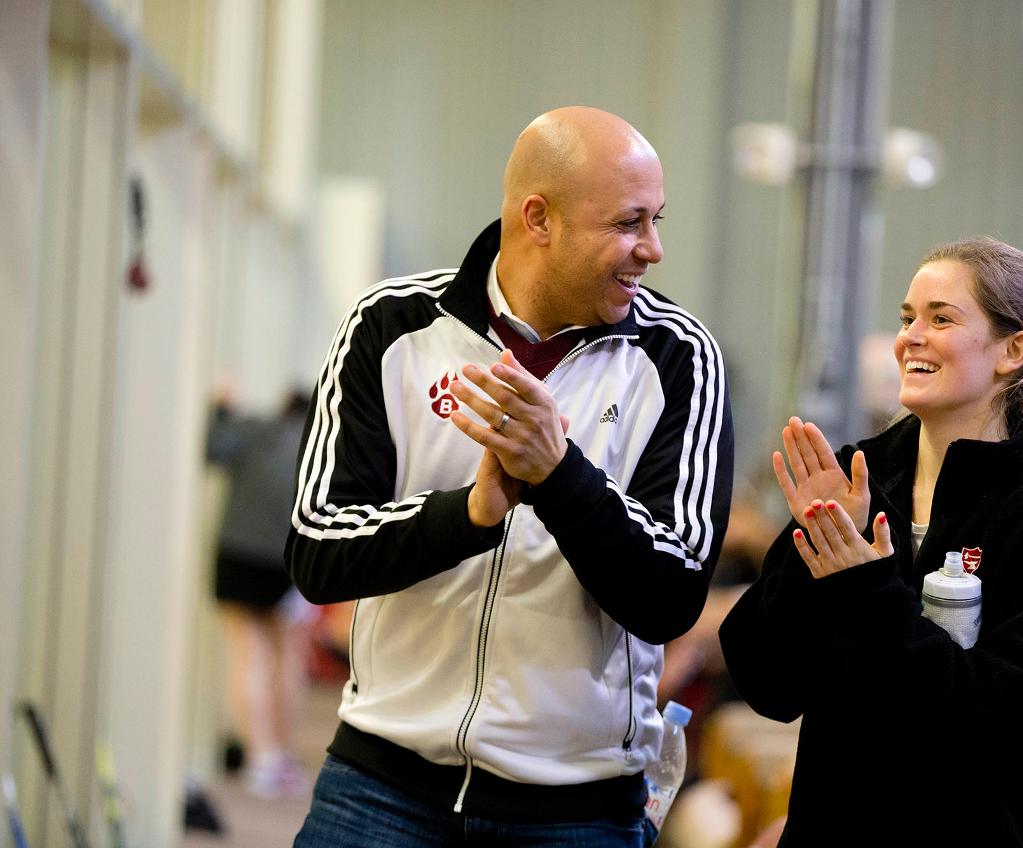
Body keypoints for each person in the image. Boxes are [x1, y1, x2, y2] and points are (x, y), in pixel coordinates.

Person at [286, 106, 734, 847]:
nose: (652, 248)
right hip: (381, 785)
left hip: (578, 808)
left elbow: (671, 593)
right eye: (628, 223)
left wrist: (558, 476)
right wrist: (470, 515)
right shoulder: (391, 327)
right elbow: (316, 550)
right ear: (539, 218)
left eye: (656, 220)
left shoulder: (679, 356)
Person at [719, 238, 1023, 846]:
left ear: (1012, 351)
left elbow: (986, 728)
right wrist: (811, 559)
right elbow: (767, 682)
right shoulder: (857, 478)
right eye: (907, 317)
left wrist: (864, 586)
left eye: (941, 318)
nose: (910, 337)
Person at [206, 385, 313, 798]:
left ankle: (260, 760)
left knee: (247, 658)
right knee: (287, 660)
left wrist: (221, 409)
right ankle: (281, 754)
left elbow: (214, 447)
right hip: (288, 562)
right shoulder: (314, 445)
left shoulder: (254, 430)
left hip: (237, 555)